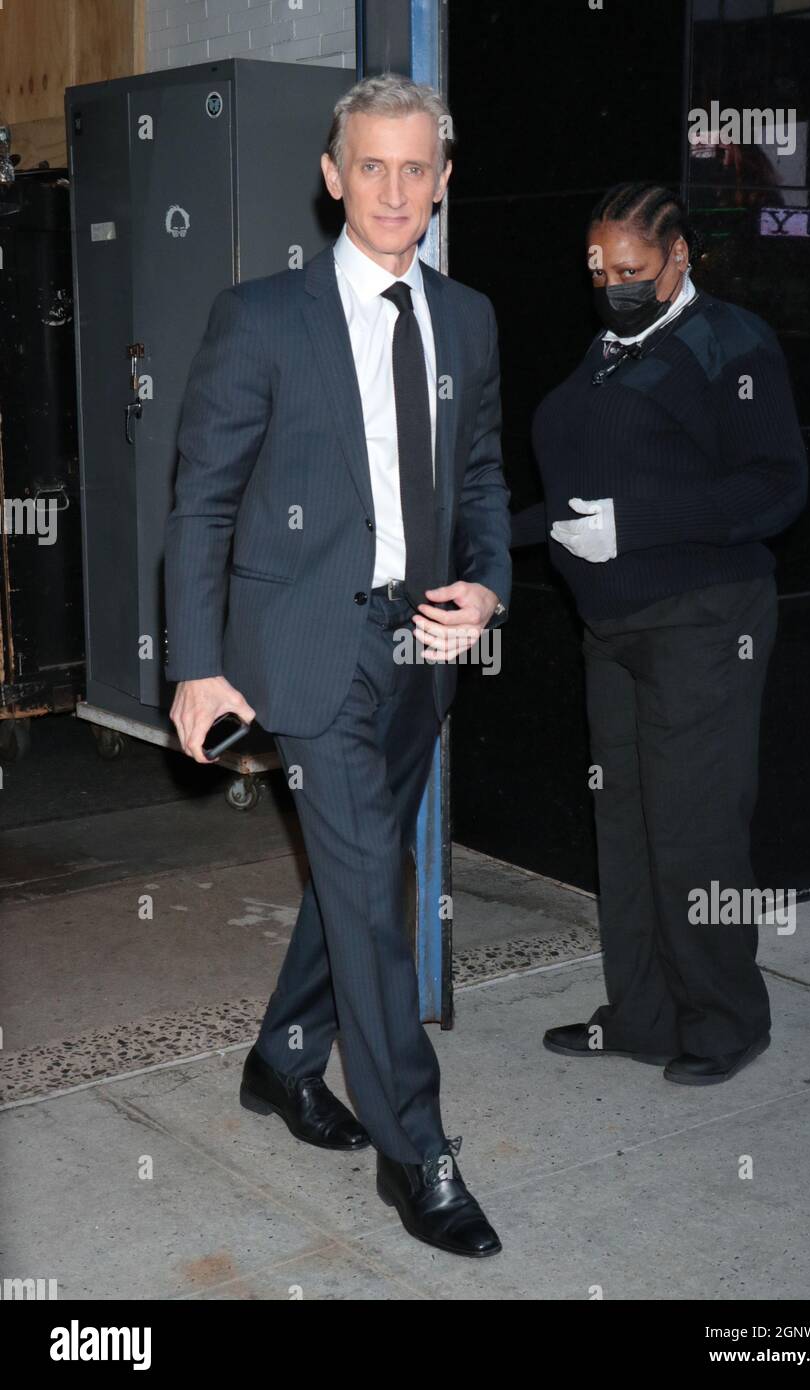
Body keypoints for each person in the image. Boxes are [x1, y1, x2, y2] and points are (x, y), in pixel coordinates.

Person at [164, 74, 510, 1257]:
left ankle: (281, 1058)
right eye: (373, 166)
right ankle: (420, 1154)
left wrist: (491, 582)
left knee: (355, 887)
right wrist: (197, 664)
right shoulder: (261, 316)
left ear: (444, 180)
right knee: (377, 902)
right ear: (333, 175)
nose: (395, 191)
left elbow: (479, 482)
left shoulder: (467, 319)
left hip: (423, 646)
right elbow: (200, 502)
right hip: (308, 647)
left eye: (418, 168)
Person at [512, 182, 807, 1085]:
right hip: (613, 627)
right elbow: (575, 493)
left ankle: (724, 1022)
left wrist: (634, 525)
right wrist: (483, 539)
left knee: (696, 830)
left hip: (706, 622)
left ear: (680, 258)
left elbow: (776, 486)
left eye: (632, 269)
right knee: (628, 828)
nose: (612, 284)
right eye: (598, 269)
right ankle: (639, 1016)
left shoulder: (729, 341)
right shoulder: (610, 349)